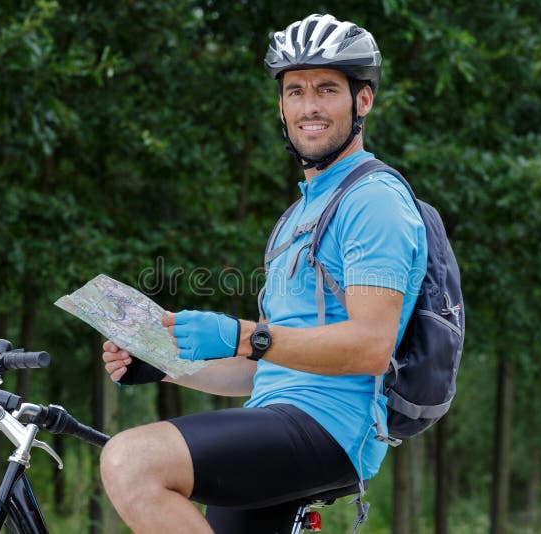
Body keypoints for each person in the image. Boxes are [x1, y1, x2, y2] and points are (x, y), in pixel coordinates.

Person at [99, 13, 427, 533]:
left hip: (329, 426)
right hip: (274, 417)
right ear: (281, 106)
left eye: (327, 89)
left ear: (362, 101)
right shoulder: (296, 218)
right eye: (295, 91)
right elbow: (265, 368)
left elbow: (371, 345)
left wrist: (242, 334)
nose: (309, 106)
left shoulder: (372, 201)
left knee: (132, 461)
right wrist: (165, 364)